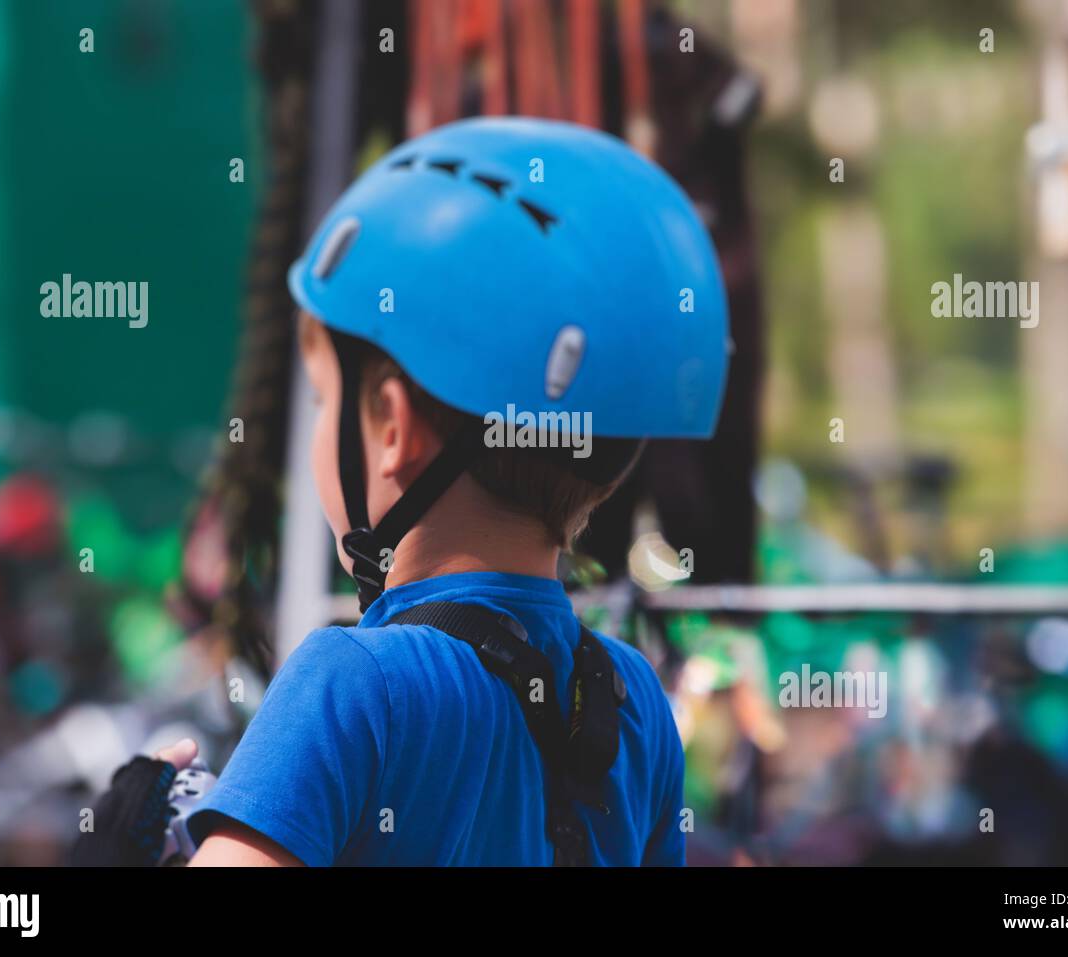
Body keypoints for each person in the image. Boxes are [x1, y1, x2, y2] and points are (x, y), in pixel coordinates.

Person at [77, 116, 730, 866]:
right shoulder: (633, 701)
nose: (315, 427)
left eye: (324, 398)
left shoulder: (352, 687)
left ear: (392, 424)